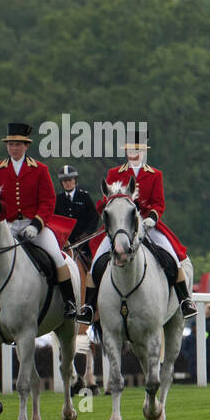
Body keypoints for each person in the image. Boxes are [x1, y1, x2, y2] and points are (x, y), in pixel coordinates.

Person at [0, 123, 77, 321]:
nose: (13, 148)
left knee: (57, 257)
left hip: (36, 225)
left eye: (18, 144)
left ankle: (70, 303)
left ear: (26, 146)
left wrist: (36, 225)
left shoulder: (40, 170)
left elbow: (48, 201)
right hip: (6, 226)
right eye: (10, 144)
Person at [80, 130, 196, 324]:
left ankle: (185, 300)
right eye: (130, 149)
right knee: (96, 264)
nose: (134, 153)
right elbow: (105, 202)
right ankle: (89, 307)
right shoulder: (114, 173)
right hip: (121, 227)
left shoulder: (155, 174)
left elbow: (159, 203)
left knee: (173, 258)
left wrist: (152, 217)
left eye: (138, 149)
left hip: (148, 226)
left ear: (143, 151)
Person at [55, 165, 98, 263]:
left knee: (92, 266)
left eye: (70, 180)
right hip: (64, 244)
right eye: (65, 181)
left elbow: (94, 218)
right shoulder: (57, 199)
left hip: (83, 244)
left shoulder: (84, 197)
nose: (68, 183)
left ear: (75, 180)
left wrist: (86, 234)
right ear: (61, 183)